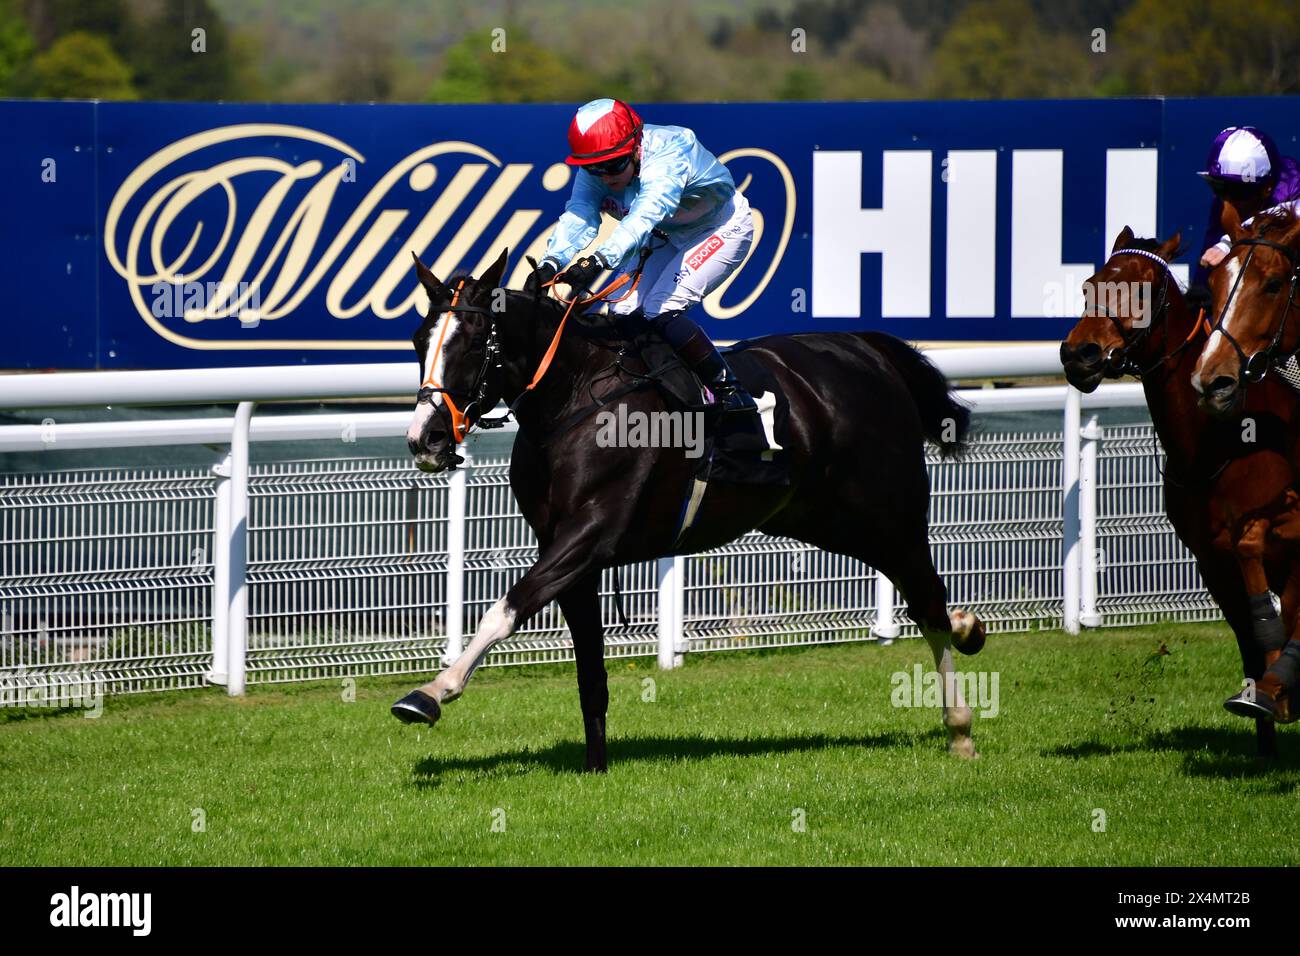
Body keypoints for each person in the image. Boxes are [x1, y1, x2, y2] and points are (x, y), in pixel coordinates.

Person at [525, 98, 757, 412]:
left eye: (613, 164)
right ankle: (647, 394)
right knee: (622, 314)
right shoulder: (599, 166)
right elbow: (580, 214)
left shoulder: (670, 152)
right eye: (593, 168)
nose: (604, 176)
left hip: (719, 228)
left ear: (636, 147)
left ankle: (730, 392)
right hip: (669, 233)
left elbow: (643, 217)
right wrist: (550, 262)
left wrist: (597, 260)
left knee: (661, 308)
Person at [1189, 126, 1300, 313]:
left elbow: (1281, 219)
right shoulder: (1226, 201)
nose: (1228, 201)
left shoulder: (1292, 185)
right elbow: (1205, 281)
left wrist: (1227, 242)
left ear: (1267, 188)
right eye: (1219, 187)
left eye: (1238, 192)